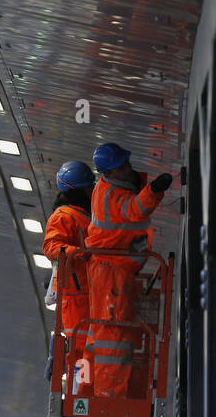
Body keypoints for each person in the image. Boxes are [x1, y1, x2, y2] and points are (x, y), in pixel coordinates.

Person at [86, 142, 173, 399]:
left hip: (112, 271)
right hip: (110, 272)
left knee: (111, 331)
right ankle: (108, 398)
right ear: (108, 173)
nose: (127, 169)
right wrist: (153, 191)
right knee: (113, 334)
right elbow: (134, 212)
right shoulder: (111, 195)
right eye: (120, 167)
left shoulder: (111, 187)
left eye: (125, 164)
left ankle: (101, 394)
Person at [43, 160, 96, 393]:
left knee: (88, 346)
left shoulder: (81, 215)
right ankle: (79, 393)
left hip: (88, 291)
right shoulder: (63, 216)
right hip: (76, 295)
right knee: (80, 346)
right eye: (88, 187)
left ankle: (84, 390)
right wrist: (80, 254)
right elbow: (51, 247)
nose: (91, 191)